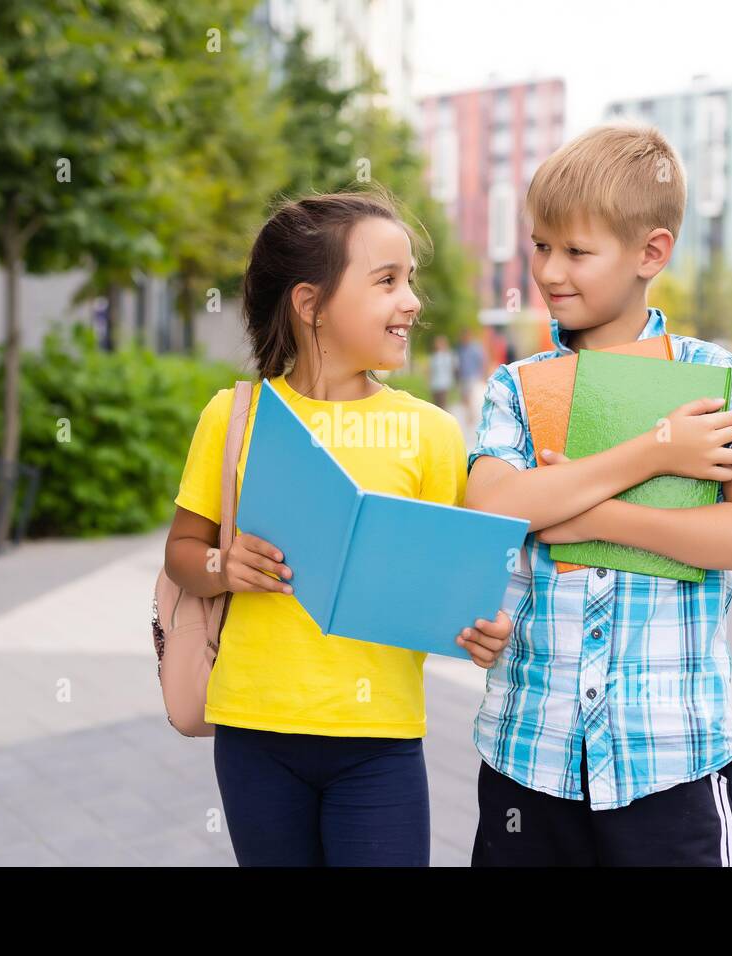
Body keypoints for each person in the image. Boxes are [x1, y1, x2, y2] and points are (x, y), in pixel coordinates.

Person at [464, 122, 732, 866]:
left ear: (651, 253)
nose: (550, 270)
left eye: (577, 251)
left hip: (670, 759)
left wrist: (589, 512)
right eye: (541, 245)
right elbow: (492, 506)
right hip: (530, 755)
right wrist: (656, 451)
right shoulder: (517, 388)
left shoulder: (709, 376)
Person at [164, 190, 513, 867]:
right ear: (310, 304)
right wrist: (221, 566)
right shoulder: (235, 416)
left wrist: (481, 628)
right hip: (254, 732)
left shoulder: (433, 434)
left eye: (410, 279)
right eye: (387, 281)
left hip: (379, 741)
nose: (411, 300)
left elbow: (457, 581)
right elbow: (183, 553)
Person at [456, 327, 486, 426]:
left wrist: (482, 374)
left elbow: (481, 361)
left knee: (470, 397)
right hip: (463, 376)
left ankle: (471, 416)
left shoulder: (475, 348)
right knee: (464, 398)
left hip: (473, 376)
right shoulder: (460, 349)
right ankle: (469, 414)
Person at [427, 334, 456, 410]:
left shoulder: (449, 356)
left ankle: (445, 420)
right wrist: (428, 381)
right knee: (436, 405)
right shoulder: (434, 356)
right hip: (435, 384)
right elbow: (430, 370)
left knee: (443, 405)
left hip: (445, 384)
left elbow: (453, 369)